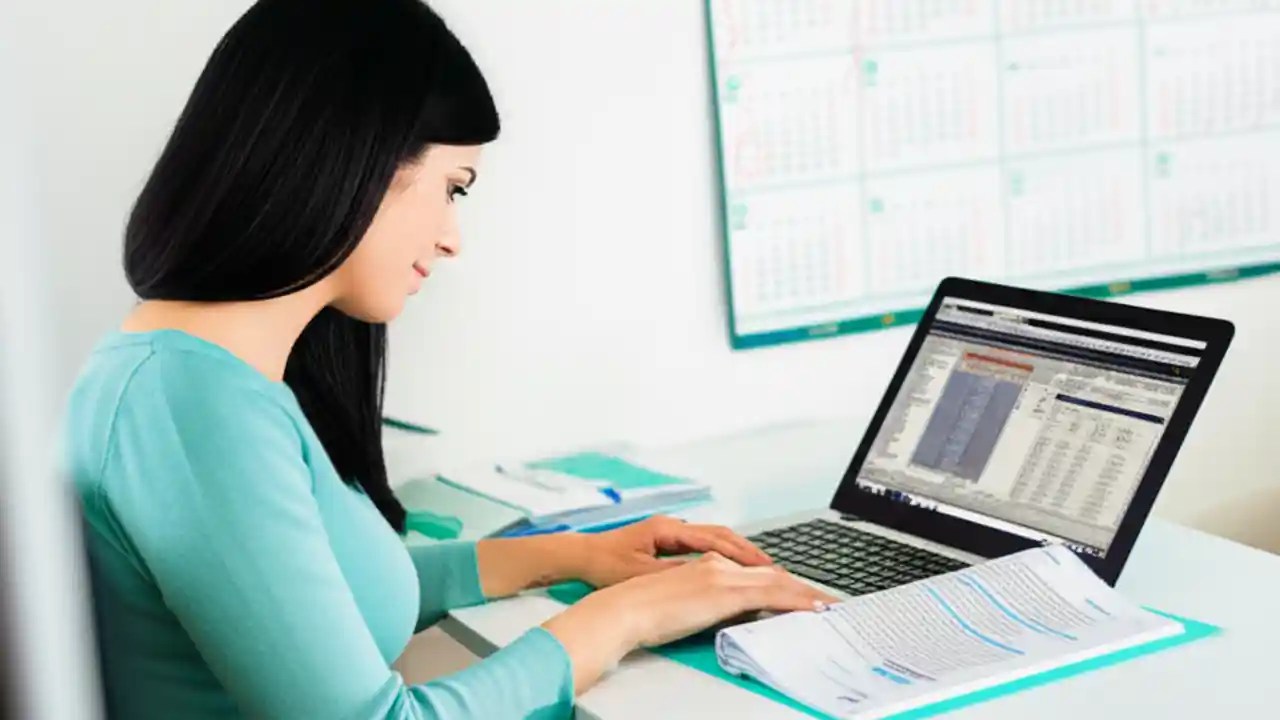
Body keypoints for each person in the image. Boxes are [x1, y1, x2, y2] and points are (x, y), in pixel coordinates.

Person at [62, 1, 834, 718]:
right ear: (353, 162)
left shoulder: (212, 376)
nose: (450, 237)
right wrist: (630, 616)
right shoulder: (192, 408)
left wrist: (578, 556)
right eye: (453, 188)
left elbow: (345, 594)